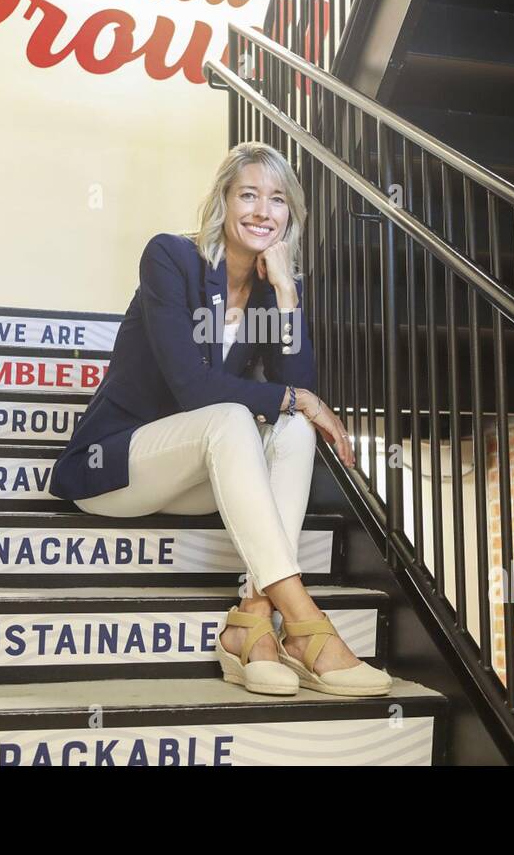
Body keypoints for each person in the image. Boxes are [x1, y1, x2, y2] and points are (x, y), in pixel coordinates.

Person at [48, 141, 393, 697]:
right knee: (236, 416)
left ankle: (251, 622)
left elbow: (297, 377)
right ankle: (305, 624)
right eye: (249, 195)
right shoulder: (171, 259)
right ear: (223, 202)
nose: (262, 211)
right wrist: (295, 397)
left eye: (277, 200)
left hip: (195, 475)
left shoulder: (268, 290)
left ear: (290, 216)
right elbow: (193, 388)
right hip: (118, 465)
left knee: (294, 427)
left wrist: (285, 290)